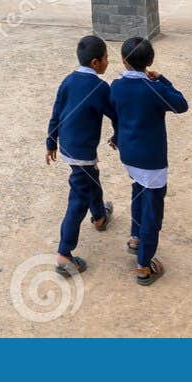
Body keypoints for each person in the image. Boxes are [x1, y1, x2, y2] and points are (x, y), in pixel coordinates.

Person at [110, 37, 189, 286]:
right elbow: (181, 105)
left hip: (129, 155)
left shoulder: (116, 86)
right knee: (152, 211)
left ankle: (135, 238)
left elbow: (117, 114)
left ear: (123, 61)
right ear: (150, 62)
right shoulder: (155, 90)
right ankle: (144, 266)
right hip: (152, 159)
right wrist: (162, 79)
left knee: (137, 191)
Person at [44, 35, 116, 278]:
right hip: (83, 152)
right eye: (107, 58)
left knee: (90, 181)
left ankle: (99, 217)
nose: (108, 62)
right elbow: (115, 114)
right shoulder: (99, 87)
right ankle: (64, 255)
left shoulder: (68, 81)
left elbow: (56, 112)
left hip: (68, 146)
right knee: (78, 200)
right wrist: (118, 136)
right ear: (96, 62)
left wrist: (50, 141)